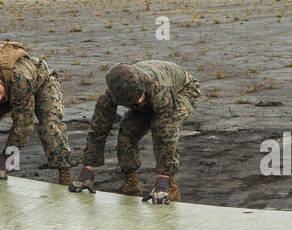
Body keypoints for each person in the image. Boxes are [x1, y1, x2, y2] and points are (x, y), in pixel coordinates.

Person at [68, 60, 201, 204]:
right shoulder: (111, 96)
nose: (138, 100)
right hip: (150, 99)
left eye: (139, 96)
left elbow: (166, 135)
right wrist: (87, 170)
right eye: (134, 100)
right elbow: (98, 128)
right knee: (126, 132)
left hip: (183, 92)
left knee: (159, 128)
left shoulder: (161, 89)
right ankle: (131, 184)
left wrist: (162, 181)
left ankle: (170, 187)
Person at [0, 40, 71, 184]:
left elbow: (23, 126)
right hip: (8, 90)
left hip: (41, 82)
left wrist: (4, 159)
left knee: (50, 125)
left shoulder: (20, 79)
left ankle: (64, 175)